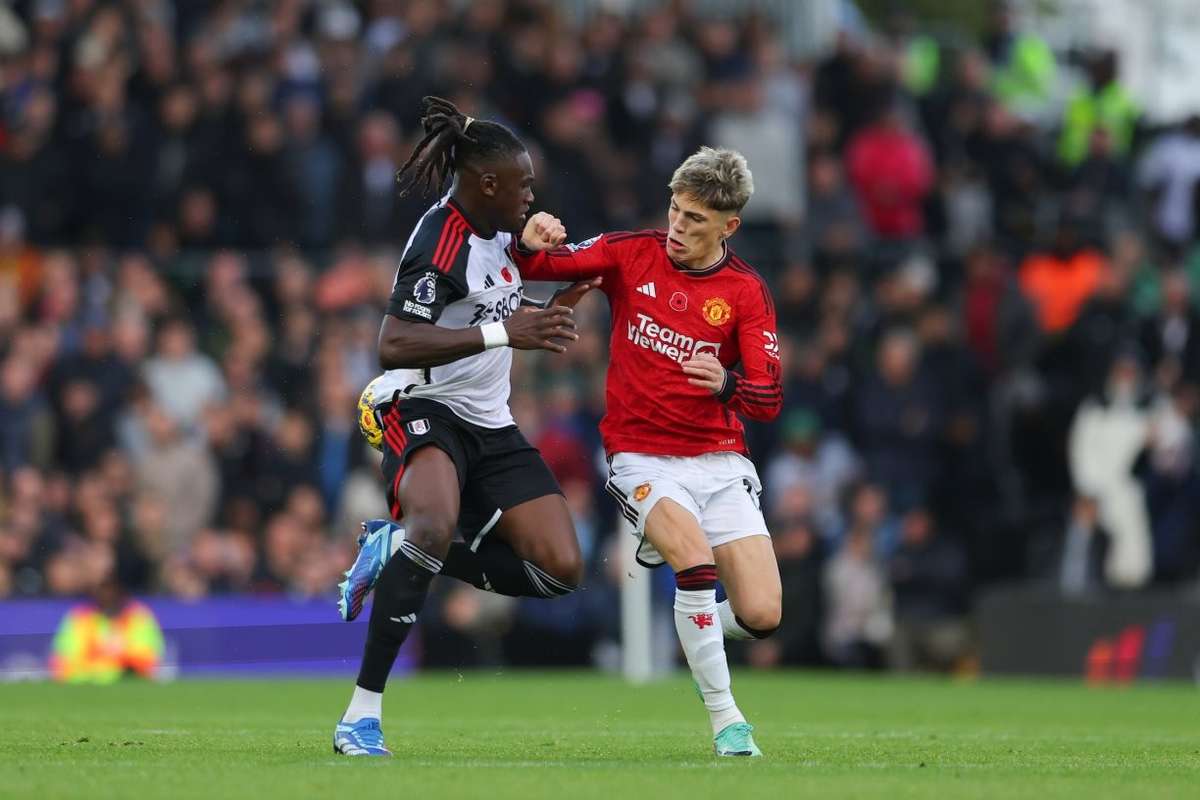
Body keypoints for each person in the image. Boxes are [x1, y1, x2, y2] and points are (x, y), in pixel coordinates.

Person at [332, 97, 598, 757]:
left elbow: (507, 290)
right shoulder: (439, 240)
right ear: (486, 184)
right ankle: (359, 718)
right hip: (423, 405)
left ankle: (396, 548)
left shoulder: (500, 229)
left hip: (490, 421)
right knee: (432, 522)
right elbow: (393, 343)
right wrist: (507, 330)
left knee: (561, 568)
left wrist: (556, 301)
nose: (531, 194)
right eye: (524, 184)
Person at [513, 146, 783, 757]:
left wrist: (729, 383)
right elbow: (540, 265)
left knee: (763, 614)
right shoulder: (630, 252)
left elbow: (768, 398)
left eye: (694, 220)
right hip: (642, 456)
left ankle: (698, 624)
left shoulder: (744, 292)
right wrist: (530, 239)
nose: (678, 228)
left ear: (728, 226)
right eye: (675, 211)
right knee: (692, 563)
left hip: (719, 461)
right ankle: (728, 724)